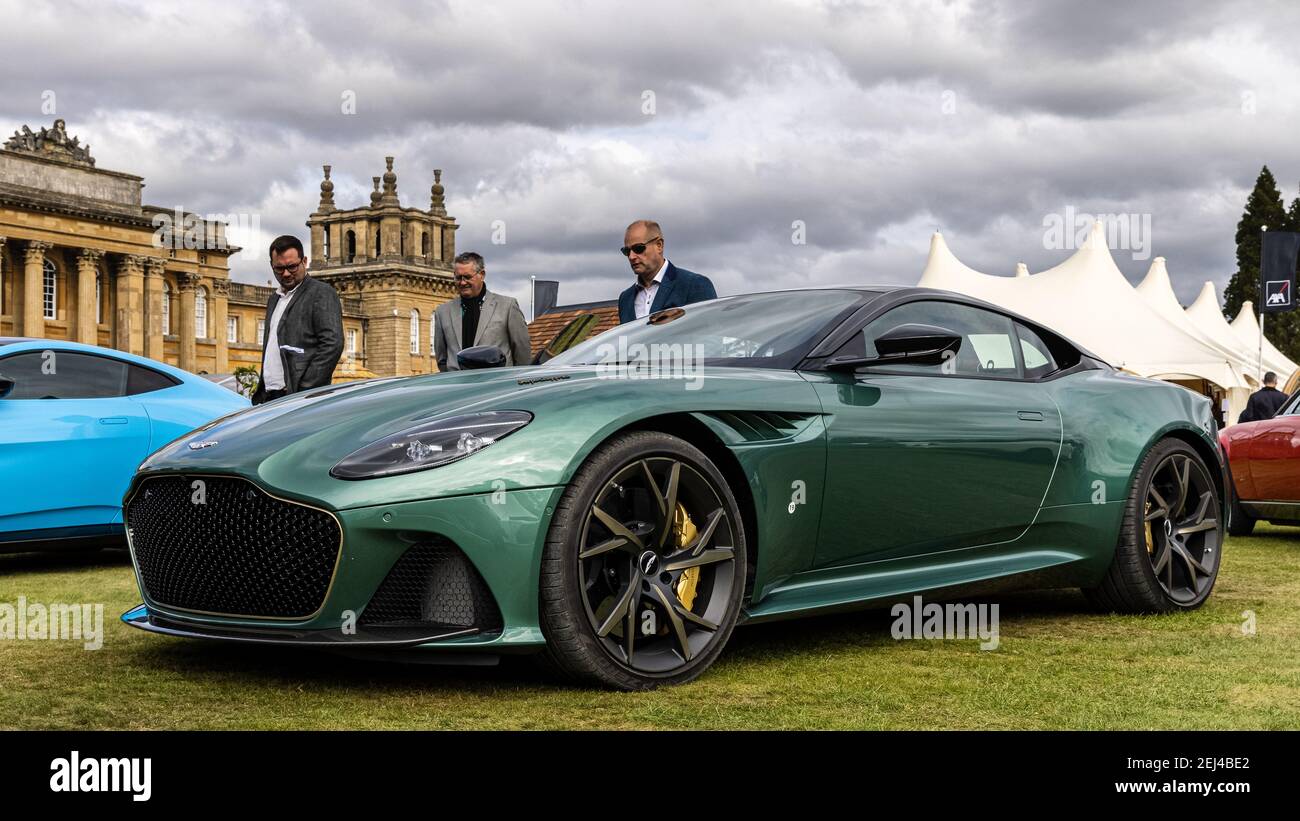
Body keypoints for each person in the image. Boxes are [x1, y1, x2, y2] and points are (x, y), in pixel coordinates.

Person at [251, 235, 343, 405]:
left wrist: (305, 390)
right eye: (279, 268)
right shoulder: (274, 299)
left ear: (304, 261)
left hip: (298, 397)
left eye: (292, 267)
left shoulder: (321, 293)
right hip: (270, 396)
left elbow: (332, 344)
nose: (285, 273)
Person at [434, 251, 531, 371]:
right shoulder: (442, 312)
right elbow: (442, 359)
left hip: (496, 384)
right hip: (458, 385)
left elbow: (522, 353)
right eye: (458, 278)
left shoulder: (507, 306)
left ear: (482, 274)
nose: (463, 282)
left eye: (468, 277)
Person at [616, 220, 716, 323]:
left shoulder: (694, 285)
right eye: (627, 251)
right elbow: (625, 339)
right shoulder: (625, 298)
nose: (631, 256)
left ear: (659, 245)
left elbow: (711, 332)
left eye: (638, 248)